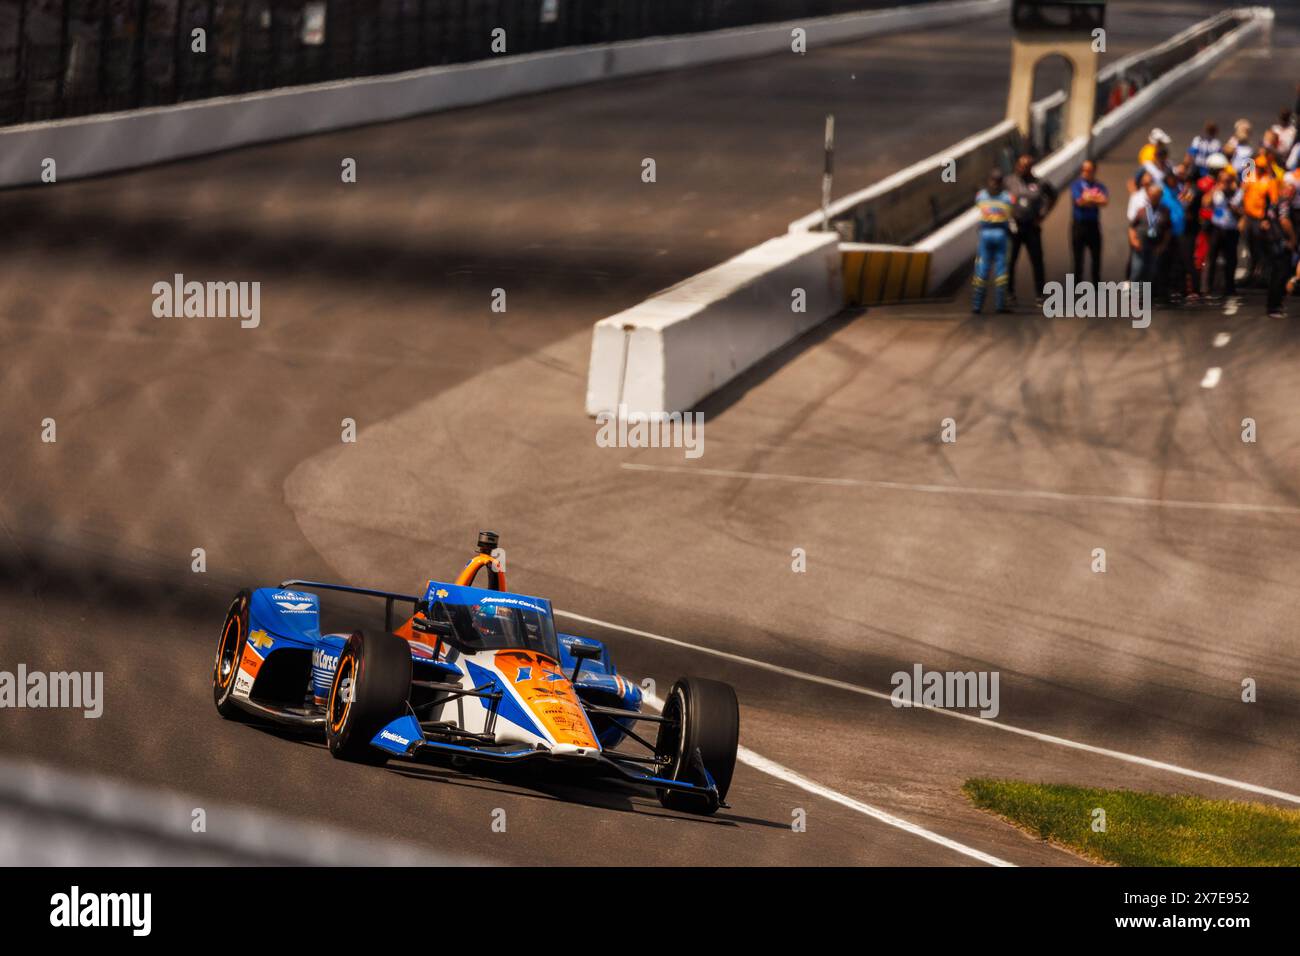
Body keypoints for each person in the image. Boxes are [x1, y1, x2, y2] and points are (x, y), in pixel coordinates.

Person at [1006, 153, 1058, 305]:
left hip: (1032, 227)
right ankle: (1009, 292)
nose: (1021, 169)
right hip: (1014, 226)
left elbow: (1053, 196)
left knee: (1037, 261)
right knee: (1010, 260)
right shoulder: (1009, 181)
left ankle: (1040, 294)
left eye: (1024, 167)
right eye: (1019, 166)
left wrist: (1043, 215)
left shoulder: (1040, 182)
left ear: (1030, 168)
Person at [971, 169, 1013, 314]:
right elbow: (1011, 212)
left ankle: (977, 305)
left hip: (985, 234)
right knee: (1001, 270)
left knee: (982, 270)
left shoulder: (981, 196)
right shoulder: (1007, 197)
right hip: (1001, 234)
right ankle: (1000, 305)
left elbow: (978, 205)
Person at [1202, 164, 1242, 299]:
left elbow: (1241, 212)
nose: (1224, 184)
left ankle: (1229, 287)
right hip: (1217, 228)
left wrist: (1232, 205)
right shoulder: (1216, 191)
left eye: (1227, 181)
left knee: (1231, 259)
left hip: (1231, 229)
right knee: (1211, 258)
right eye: (1222, 181)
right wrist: (1214, 190)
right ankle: (1207, 288)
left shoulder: (1238, 193)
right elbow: (1206, 203)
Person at [1242, 155, 1280, 286]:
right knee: (1250, 246)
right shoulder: (1250, 177)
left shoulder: (1270, 181)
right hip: (1248, 217)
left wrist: (1266, 219)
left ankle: (1263, 276)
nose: (1258, 169)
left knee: (1262, 248)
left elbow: (1273, 203)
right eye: (1257, 166)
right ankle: (1251, 273)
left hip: (1260, 219)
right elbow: (1243, 194)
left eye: (1262, 167)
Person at [1069, 160, 1109, 283]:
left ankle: (1096, 284)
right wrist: (1094, 198)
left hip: (1093, 225)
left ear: (1094, 171)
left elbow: (1104, 201)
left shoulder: (1099, 186)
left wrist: (1088, 198)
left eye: (1089, 170)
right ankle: (1077, 285)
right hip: (1079, 225)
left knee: (1096, 257)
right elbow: (1079, 201)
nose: (1086, 172)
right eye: (1084, 170)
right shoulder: (1076, 185)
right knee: (1078, 259)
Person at [1263, 180, 1297, 318]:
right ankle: (1274, 308)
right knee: (1280, 275)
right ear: (1282, 190)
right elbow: (1284, 220)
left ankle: (1275, 305)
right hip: (1280, 243)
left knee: (1277, 274)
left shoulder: (1274, 203)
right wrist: (1293, 239)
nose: (1291, 194)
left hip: (1273, 242)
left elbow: (1266, 222)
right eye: (1288, 190)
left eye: (1293, 192)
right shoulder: (1283, 203)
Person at [1129, 181, 1171, 288]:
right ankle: (1133, 297)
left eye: (1157, 196)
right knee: (1137, 270)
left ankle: (1145, 298)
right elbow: (1132, 227)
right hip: (1141, 245)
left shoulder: (1165, 211)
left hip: (1155, 246)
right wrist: (1134, 240)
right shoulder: (1142, 210)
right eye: (1152, 195)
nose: (1154, 198)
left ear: (1160, 196)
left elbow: (1167, 231)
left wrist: (1163, 245)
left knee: (1150, 272)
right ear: (1148, 195)